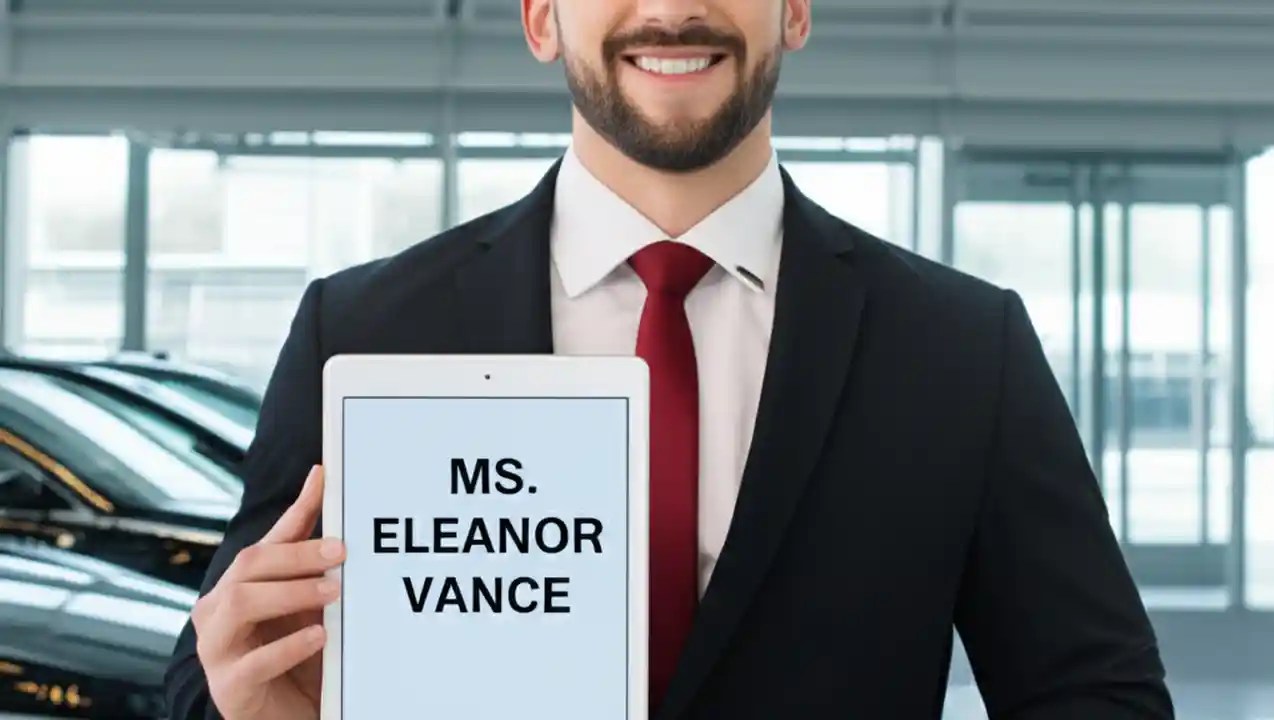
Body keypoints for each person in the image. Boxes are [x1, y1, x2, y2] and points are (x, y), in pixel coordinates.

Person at [164, 0, 1176, 718]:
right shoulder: (366, 329)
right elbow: (214, 681)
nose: (673, 6)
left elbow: (1097, 694)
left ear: (794, 10)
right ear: (539, 16)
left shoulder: (961, 350)